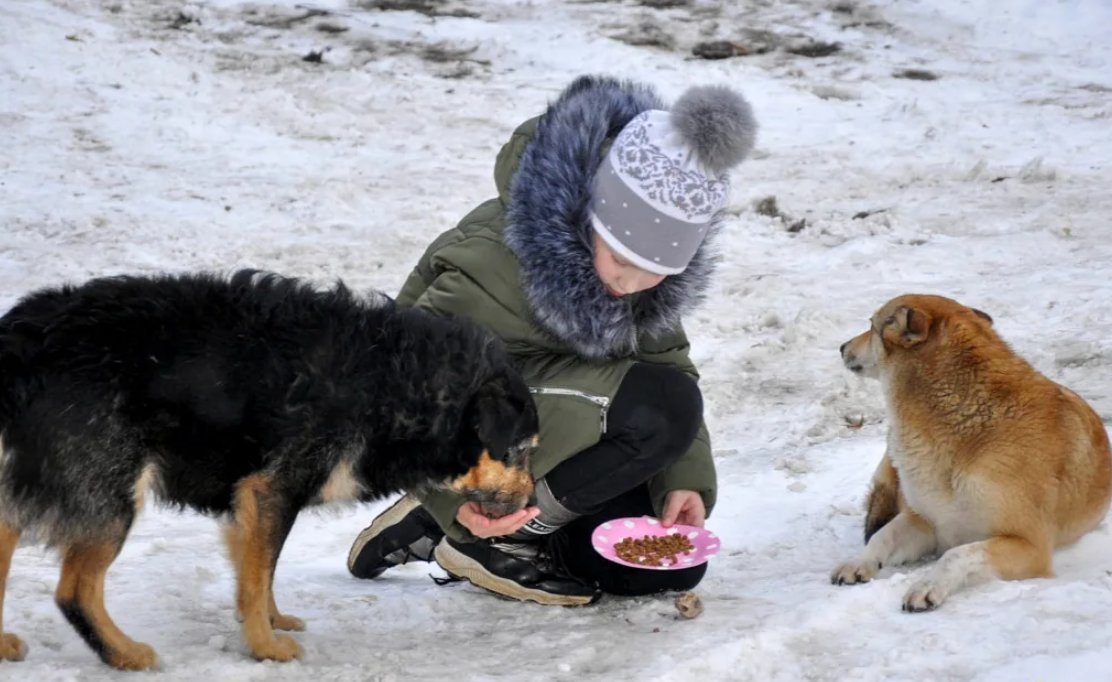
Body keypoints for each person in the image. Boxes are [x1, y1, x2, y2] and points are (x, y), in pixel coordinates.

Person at [347, 75, 756, 605]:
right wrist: (455, 504)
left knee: (658, 572)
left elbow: (668, 360)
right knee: (662, 406)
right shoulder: (495, 261)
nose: (630, 284)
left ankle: (507, 536)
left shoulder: (636, 274)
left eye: (655, 271)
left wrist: (682, 481)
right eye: (622, 259)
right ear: (590, 218)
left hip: (561, 438)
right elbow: (405, 393)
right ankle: (477, 531)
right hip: (476, 426)